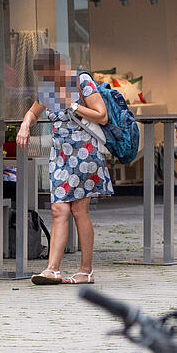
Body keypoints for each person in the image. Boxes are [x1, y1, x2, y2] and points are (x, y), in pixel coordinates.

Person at [19, 48, 112, 286]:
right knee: (59, 210)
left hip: (84, 154)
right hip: (60, 155)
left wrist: (73, 106)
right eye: (44, 76)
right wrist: (26, 125)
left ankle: (86, 270)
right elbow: (33, 111)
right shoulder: (49, 89)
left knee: (80, 211)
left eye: (50, 73)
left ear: (61, 66)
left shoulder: (81, 81)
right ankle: (52, 270)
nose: (48, 80)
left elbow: (101, 116)